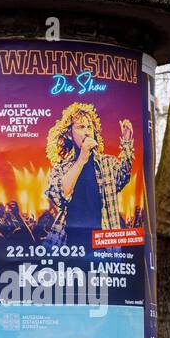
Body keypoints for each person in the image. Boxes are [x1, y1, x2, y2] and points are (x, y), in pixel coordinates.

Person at [44, 102, 134, 249]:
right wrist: (82, 159)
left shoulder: (106, 163)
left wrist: (127, 142)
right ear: (69, 133)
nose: (87, 132)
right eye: (81, 127)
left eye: (89, 127)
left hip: (102, 245)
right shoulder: (61, 168)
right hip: (69, 245)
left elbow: (123, 176)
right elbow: (60, 195)